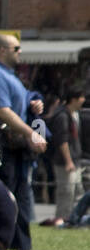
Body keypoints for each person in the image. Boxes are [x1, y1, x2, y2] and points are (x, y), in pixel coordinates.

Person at [0, 33, 44, 250]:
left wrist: (34, 103)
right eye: (16, 48)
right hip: (1, 144)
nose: (20, 52)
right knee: (3, 192)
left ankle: (20, 243)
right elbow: (3, 111)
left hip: (14, 145)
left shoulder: (11, 76)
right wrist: (31, 134)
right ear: (1, 50)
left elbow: (20, 102)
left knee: (19, 193)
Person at [46, 87, 84, 226]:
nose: (84, 100)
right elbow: (62, 140)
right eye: (81, 97)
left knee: (77, 192)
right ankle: (62, 220)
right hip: (64, 162)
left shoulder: (74, 114)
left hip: (75, 160)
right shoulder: (62, 116)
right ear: (73, 99)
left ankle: (76, 220)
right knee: (66, 193)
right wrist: (68, 161)